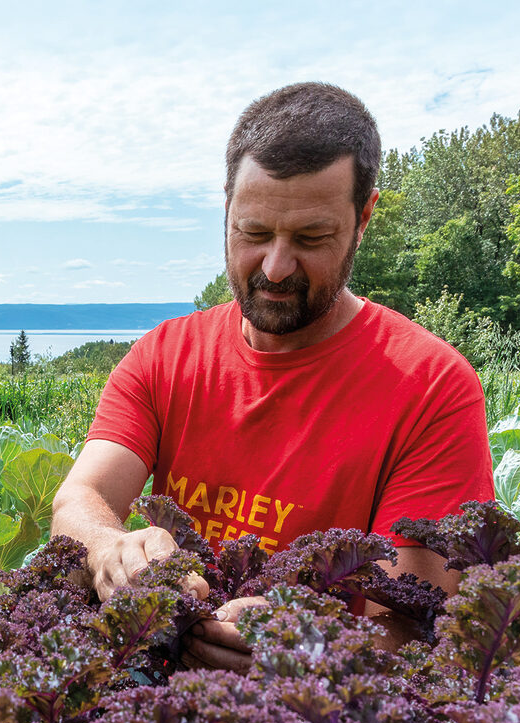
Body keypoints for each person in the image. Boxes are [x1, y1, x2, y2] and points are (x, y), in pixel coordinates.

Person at [50, 82, 494, 671]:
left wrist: (312, 644)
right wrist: (109, 547)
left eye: (311, 238)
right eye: (253, 234)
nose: (276, 267)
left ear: (364, 218)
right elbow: (82, 497)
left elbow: (418, 618)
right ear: (226, 208)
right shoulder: (164, 355)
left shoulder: (431, 387)